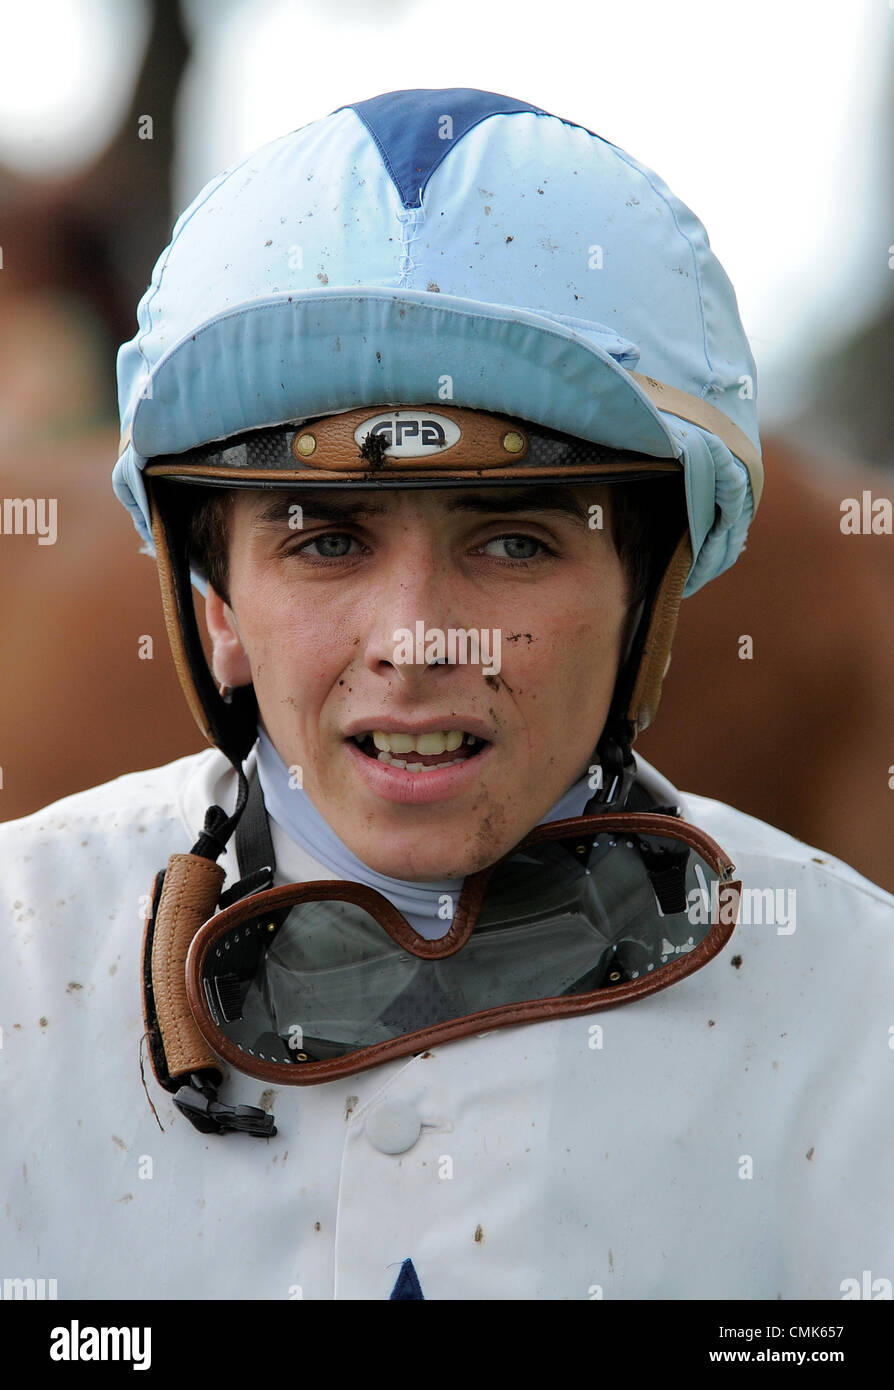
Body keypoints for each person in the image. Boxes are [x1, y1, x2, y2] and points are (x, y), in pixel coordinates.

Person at [2, 87, 892, 1304]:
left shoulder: (863, 1022)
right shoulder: (16, 962)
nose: (414, 639)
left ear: (652, 594)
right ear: (216, 611)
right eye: (326, 542)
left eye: (516, 542)